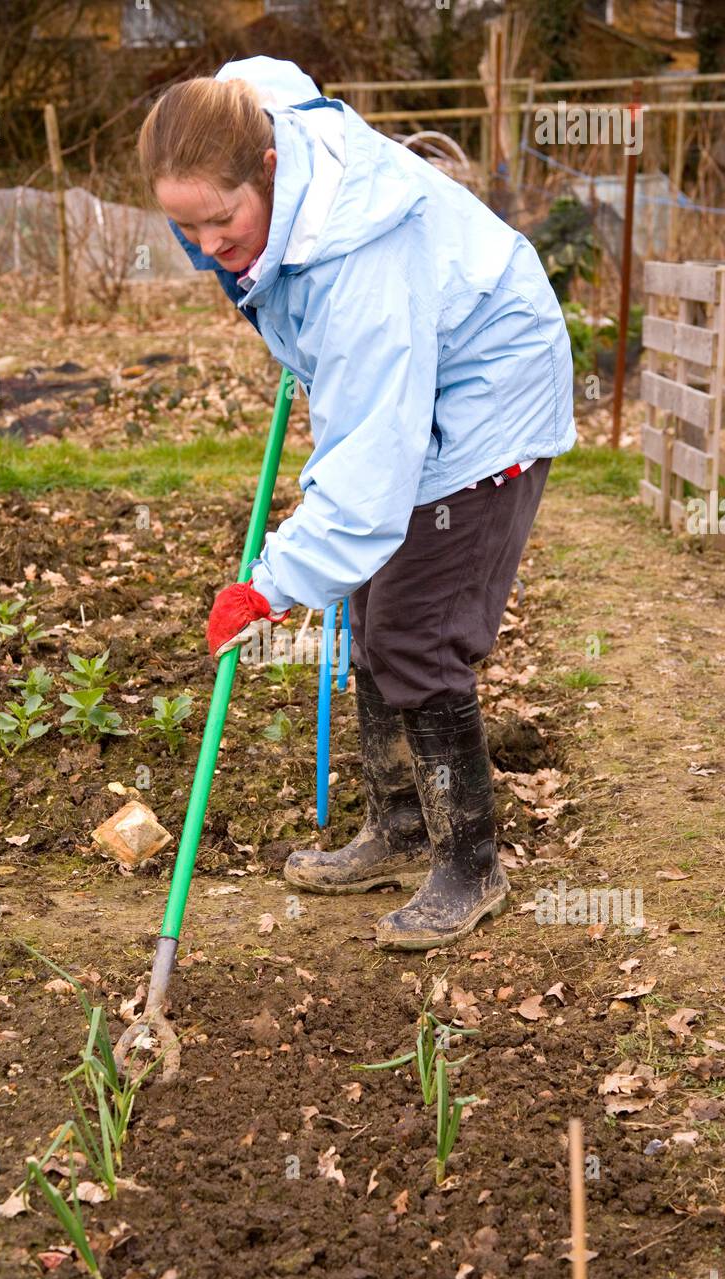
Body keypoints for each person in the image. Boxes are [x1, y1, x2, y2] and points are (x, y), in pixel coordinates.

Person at [138, 55, 576, 951]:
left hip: (488, 402)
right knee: (371, 618)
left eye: (221, 224)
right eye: (186, 230)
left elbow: (371, 475)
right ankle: (399, 828)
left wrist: (270, 586)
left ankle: (470, 864)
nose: (210, 248)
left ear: (267, 170)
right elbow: (262, 72)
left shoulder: (360, 263)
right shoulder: (256, 121)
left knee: (416, 630)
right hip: (425, 376)